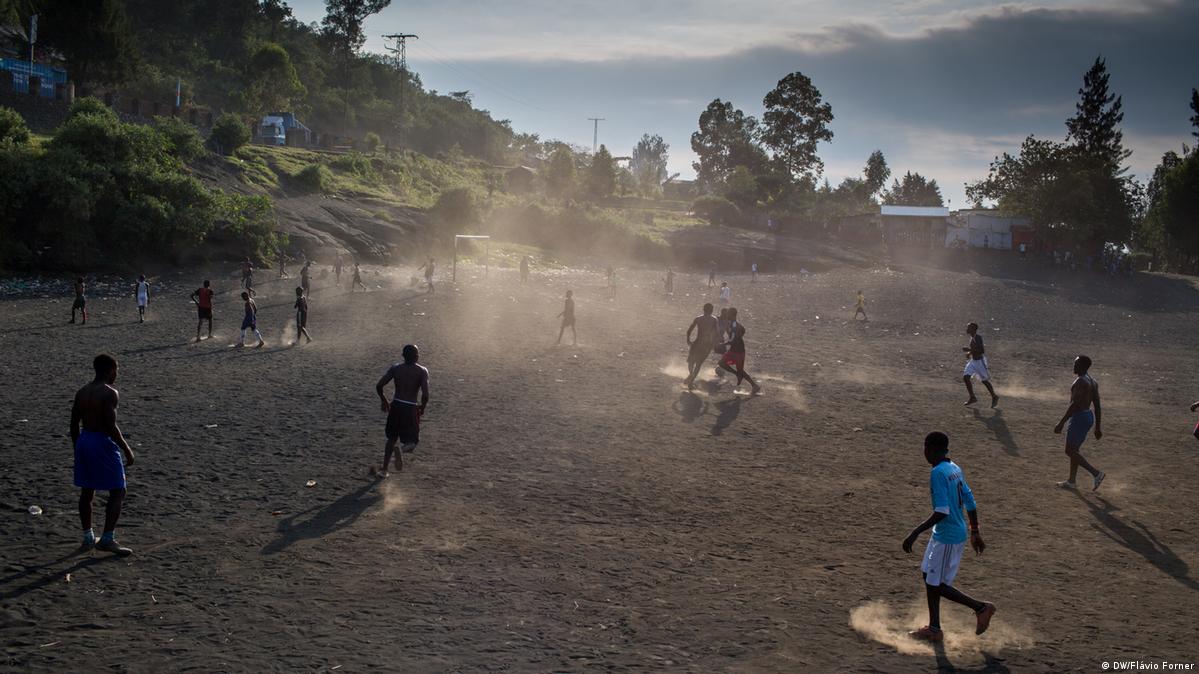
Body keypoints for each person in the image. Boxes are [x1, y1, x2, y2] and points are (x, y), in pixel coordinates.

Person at [902, 431, 996, 642]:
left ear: (931, 449)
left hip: (948, 536)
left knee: (937, 583)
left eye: (925, 448)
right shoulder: (954, 468)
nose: (924, 453)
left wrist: (914, 533)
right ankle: (935, 628)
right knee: (928, 576)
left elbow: (942, 511)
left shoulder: (938, 473)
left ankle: (981, 608)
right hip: (946, 534)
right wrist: (975, 531)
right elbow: (970, 501)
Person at [71, 354, 136, 556]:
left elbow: (73, 424)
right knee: (118, 490)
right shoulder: (109, 393)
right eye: (116, 370)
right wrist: (126, 448)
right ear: (109, 370)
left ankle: (88, 536)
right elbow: (110, 425)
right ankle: (107, 538)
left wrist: (78, 447)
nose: (117, 374)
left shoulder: (82, 392)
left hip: (84, 439)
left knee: (87, 490)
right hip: (101, 441)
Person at [375, 344, 430, 475]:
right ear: (417, 357)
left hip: (396, 406)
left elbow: (379, 385)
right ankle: (400, 449)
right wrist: (422, 408)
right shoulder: (422, 371)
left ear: (403, 356)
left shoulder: (396, 368)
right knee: (412, 442)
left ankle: (384, 469)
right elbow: (426, 394)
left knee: (391, 438)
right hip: (410, 407)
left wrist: (384, 400)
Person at [1054, 355, 1105, 490]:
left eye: (1076, 364)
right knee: (1074, 450)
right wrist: (1098, 427)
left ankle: (1096, 473)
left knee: (1069, 450)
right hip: (1088, 416)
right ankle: (1071, 481)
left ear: (1083, 366)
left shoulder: (1081, 382)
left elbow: (1074, 404)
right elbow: (1098, 405)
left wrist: (1061, 422)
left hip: (1079, 417)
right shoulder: (1093, 381)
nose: (1074, 366)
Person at [716, 308, 761, 394]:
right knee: (736, 368)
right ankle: (753, 385)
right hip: (739, 350)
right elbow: (743, 330)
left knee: (724, 364)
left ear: (732, 315)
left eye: (728, 314)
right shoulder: (736, 324)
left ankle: (739, 375)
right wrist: (739, 337)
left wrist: (723, 344)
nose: (727, 316)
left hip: (736, 351)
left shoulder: (733, 326)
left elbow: (732, 340)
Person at [961, 323, 999, 408]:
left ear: (973, 329)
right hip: (973, 361)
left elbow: (981, 351)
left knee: (984, 380)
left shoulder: (978, 338)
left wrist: (969, 349)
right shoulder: (972, 337)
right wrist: (969, 353)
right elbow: (975, 349)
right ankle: (972, 397)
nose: (967, 329)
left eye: (969, 328)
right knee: (966, 377)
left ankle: (994, 396)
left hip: (980, 361)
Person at [684, 303, 719, 390]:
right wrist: (714, 344)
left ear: (703, 309)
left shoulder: (698, 318)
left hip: (697, 343)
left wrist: (688, 339)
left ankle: (691, 374)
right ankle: (691, 380)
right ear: (712, 310)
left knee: (691, 361)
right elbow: (716, 333)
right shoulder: (714, 320)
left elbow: (689, 330)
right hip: (706, 345)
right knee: (698, 364)